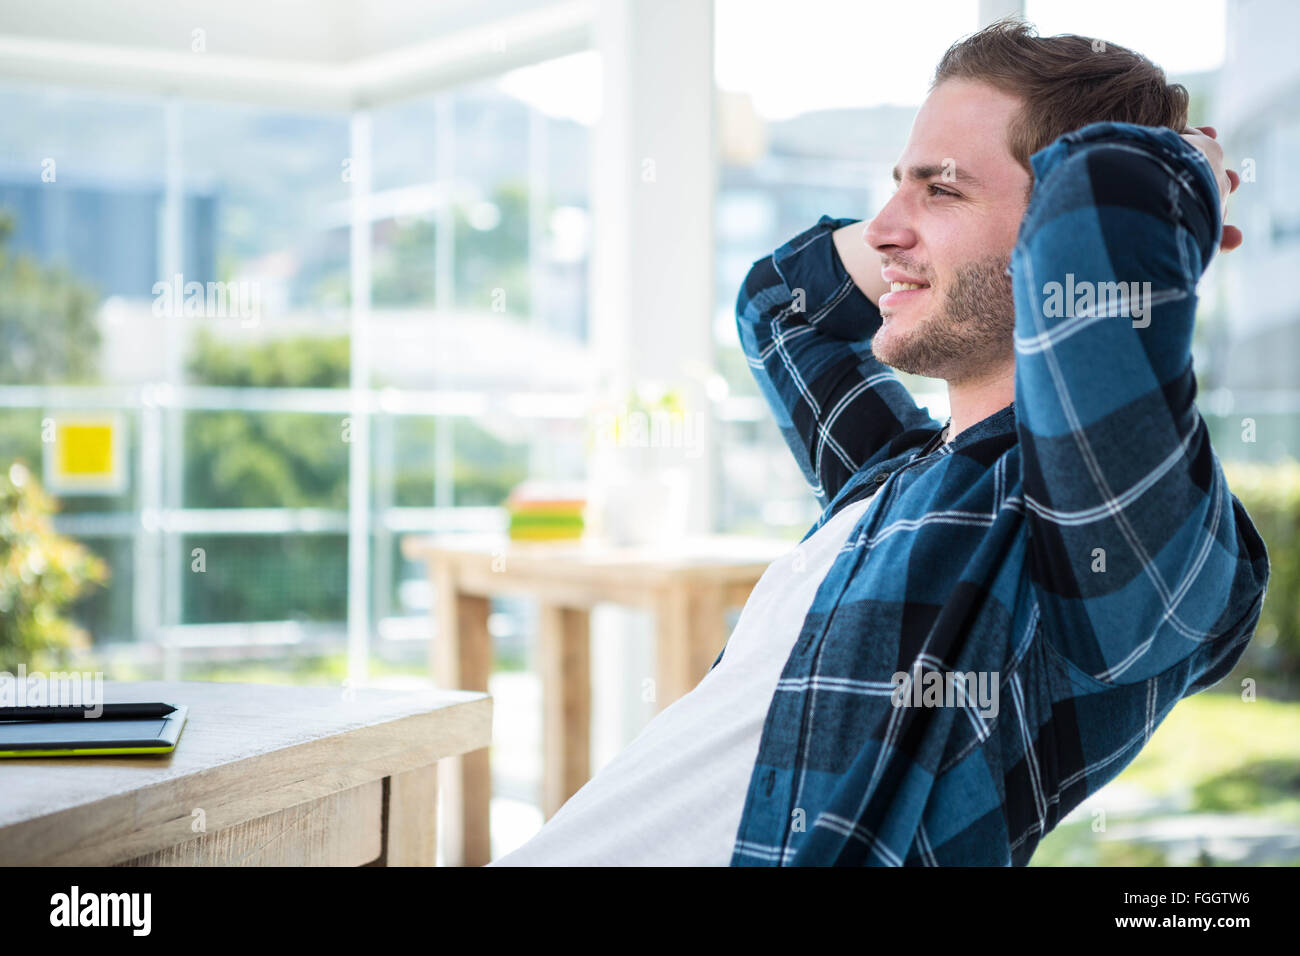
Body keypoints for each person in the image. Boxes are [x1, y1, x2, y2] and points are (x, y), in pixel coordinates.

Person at [492, 16, 1269, 866]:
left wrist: (1188, 163)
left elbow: (1099, 203)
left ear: (1046, 235)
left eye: (941, 190)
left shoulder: (1113, 543)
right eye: (895, 185)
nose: (885, 227)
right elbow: (781, 305)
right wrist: (923, 228)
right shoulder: (892, 474)